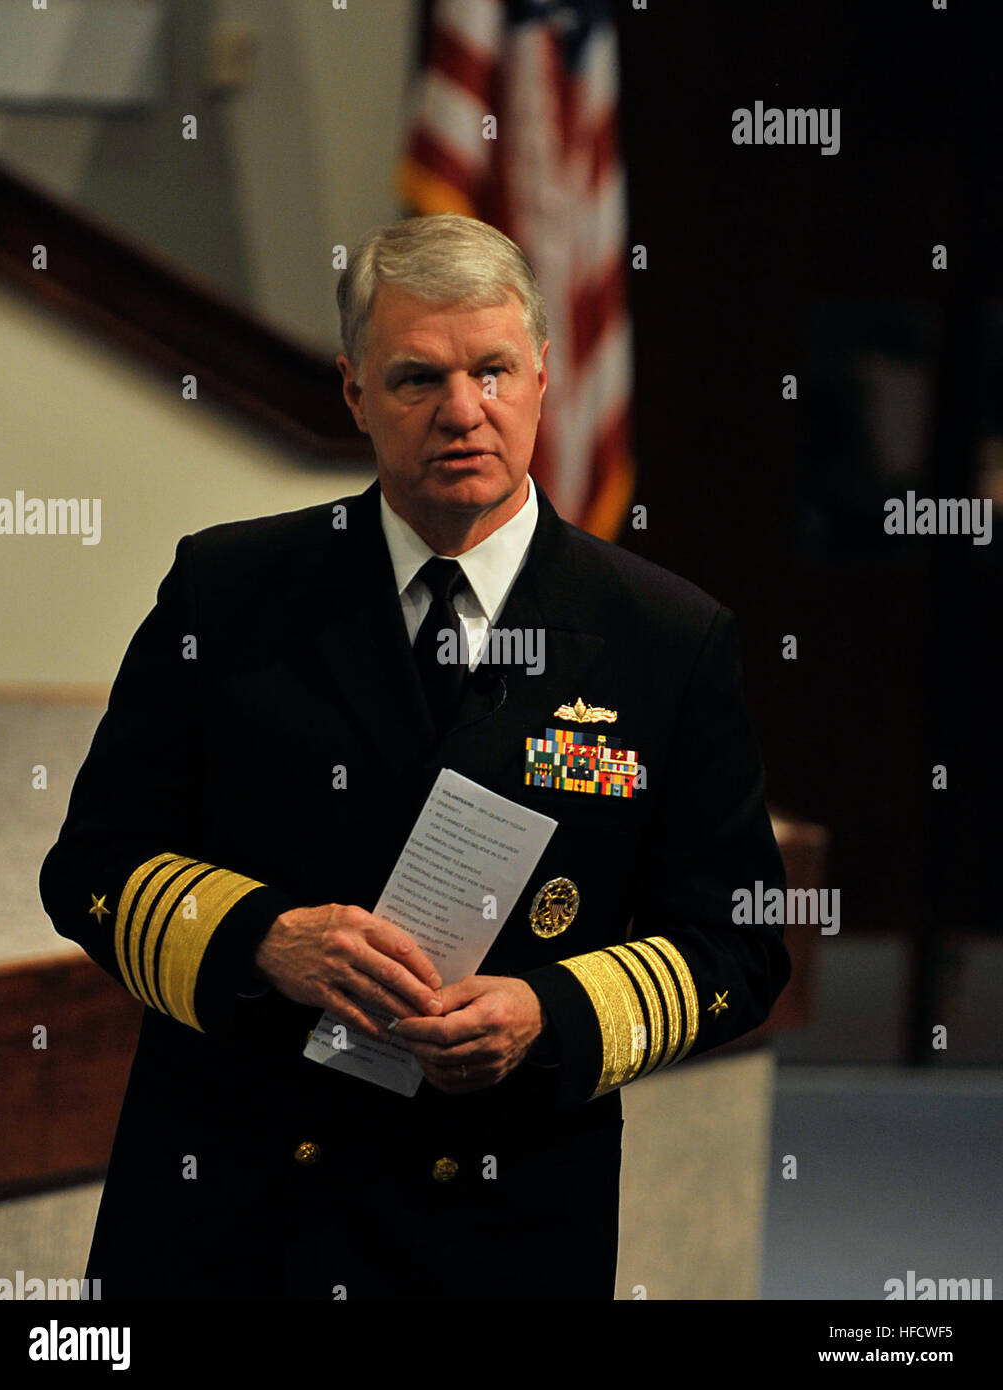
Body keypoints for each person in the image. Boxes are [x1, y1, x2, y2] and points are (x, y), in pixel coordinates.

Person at [39, 212, 790, 1300]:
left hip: (500, 1218)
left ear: (542, 375)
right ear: (352, 393)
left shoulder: (665, 638)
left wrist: (551, 1013)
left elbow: (741, 943)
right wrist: (264, 937)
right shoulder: (229, 593)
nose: (461, 412)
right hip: (234, 1209)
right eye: (415, 378)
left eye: (492, 370)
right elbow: (93, 867)